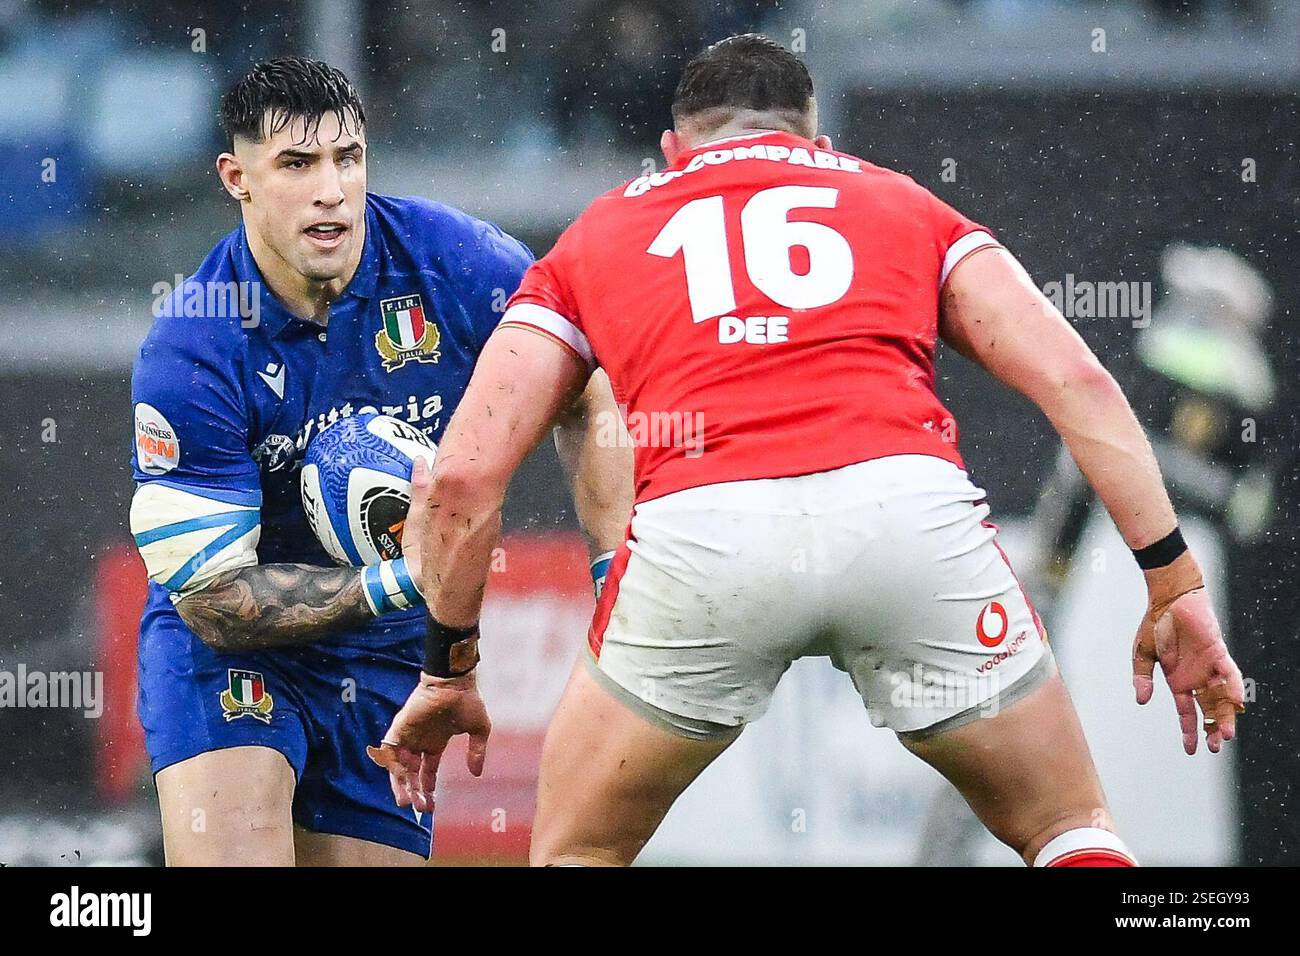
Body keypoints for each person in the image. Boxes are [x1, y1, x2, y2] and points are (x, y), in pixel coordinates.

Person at [370, 34, 1246, 867]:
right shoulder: (901, 201)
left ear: (676, 151)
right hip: (906, 520)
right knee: (1066, 824)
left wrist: (450, 669)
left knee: (577, 850)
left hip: (705, 543)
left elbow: (464, 476)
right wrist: (1172, 580)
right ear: (814, 138)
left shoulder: (598, 234)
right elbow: (1078, 384)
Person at [129, 56, 627, 865]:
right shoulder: (194, 344)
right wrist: (408, 579)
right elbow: (213, 602)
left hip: (385, 656)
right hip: (229, 654)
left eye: (347, 158)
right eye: (296, 164)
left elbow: (587, 387)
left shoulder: (454, 263)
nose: (331, 189)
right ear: (236, 177)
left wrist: (615, 573)